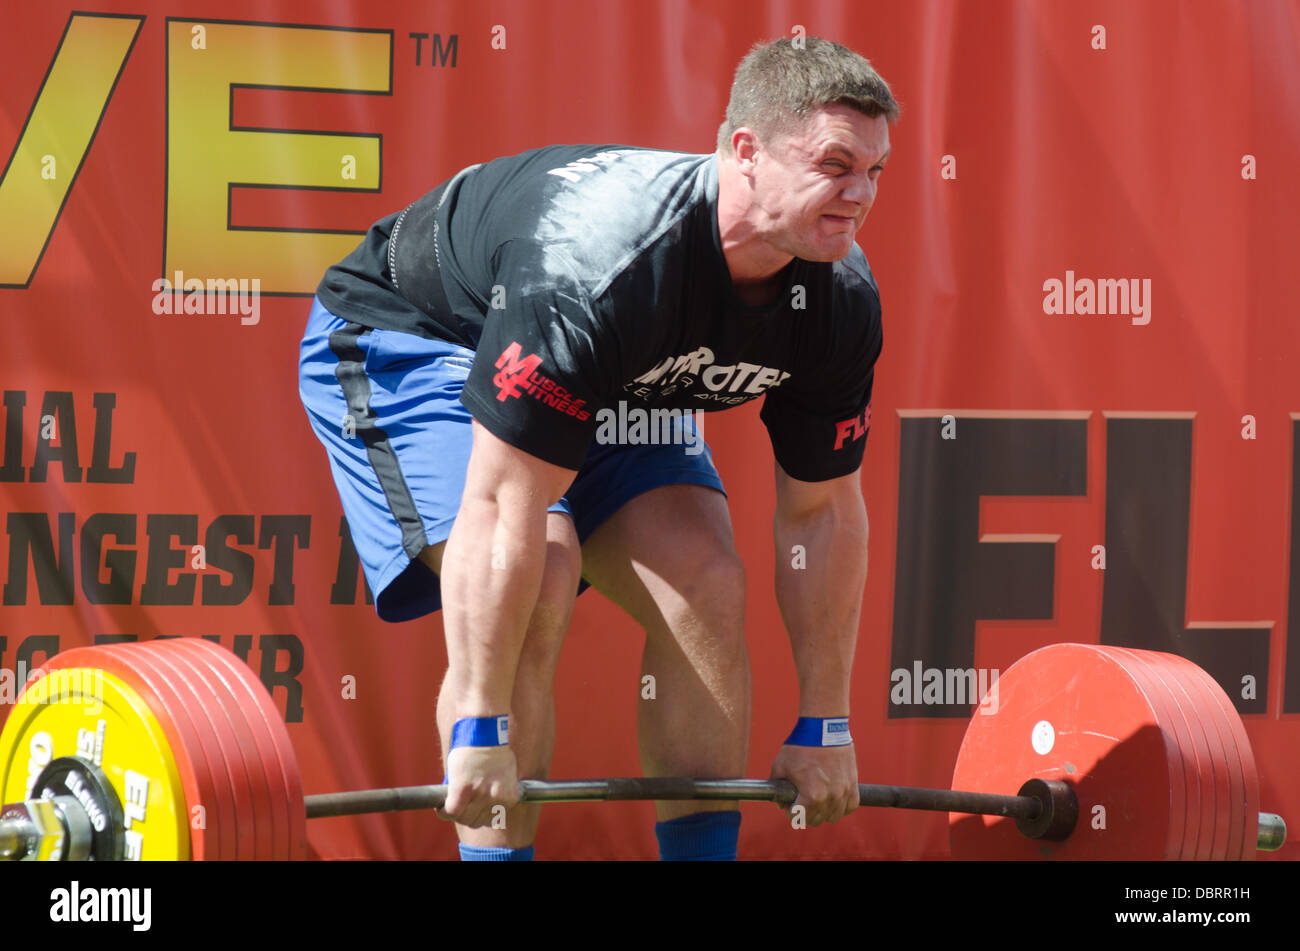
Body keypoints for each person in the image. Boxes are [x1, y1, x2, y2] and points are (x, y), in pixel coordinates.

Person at [299, 35, 898, 860]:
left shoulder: (840, 295)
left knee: (707, 584)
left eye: (876, 171)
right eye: (837, 164)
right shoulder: (601, 263)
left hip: (615, 370)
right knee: (542, 565)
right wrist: (479, 723)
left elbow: (821, 511)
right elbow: (504, 500)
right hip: (421, 336)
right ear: (747, 152)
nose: (861, 193)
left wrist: (826, 721)